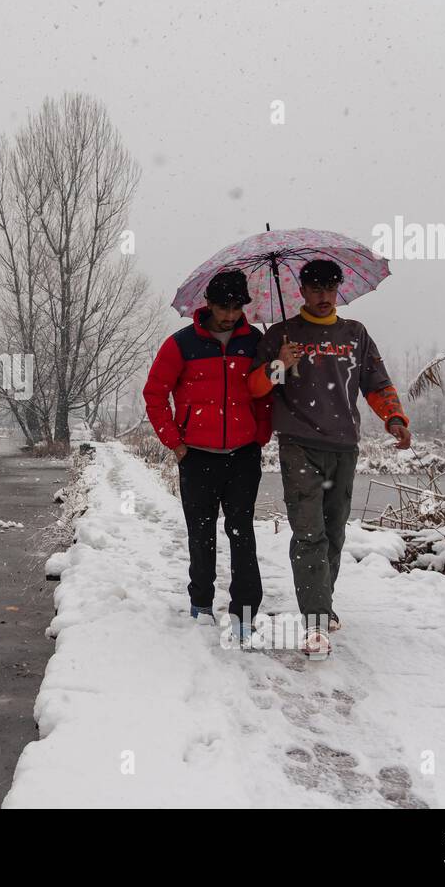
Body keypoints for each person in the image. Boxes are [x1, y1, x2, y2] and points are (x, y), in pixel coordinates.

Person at [247, 258, 412, 659]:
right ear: (300, 291)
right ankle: (316, 621)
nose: (323, 297)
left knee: (335, 533)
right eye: (315, 289)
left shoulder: (354, 334)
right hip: (298, 445)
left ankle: (323, 602)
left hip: (344, 446)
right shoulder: (282, 335)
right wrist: (279, 364)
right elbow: (256, 388)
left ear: (339, 289)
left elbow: (376, 382)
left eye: (330, 289)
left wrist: (394, 418)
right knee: (309, 534)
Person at [143, 269, 273, 645]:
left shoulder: (256, 343)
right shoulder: (180, 344)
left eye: (236, 307)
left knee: (241, 533)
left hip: (243, 456)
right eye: (222, 306)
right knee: (201, 534)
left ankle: (245, 614)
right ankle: (201, 603)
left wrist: (260, 435)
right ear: (208, 304)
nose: (230, 314)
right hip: (196, 457)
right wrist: (175, 443)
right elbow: (154, 394)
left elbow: (265, 394)